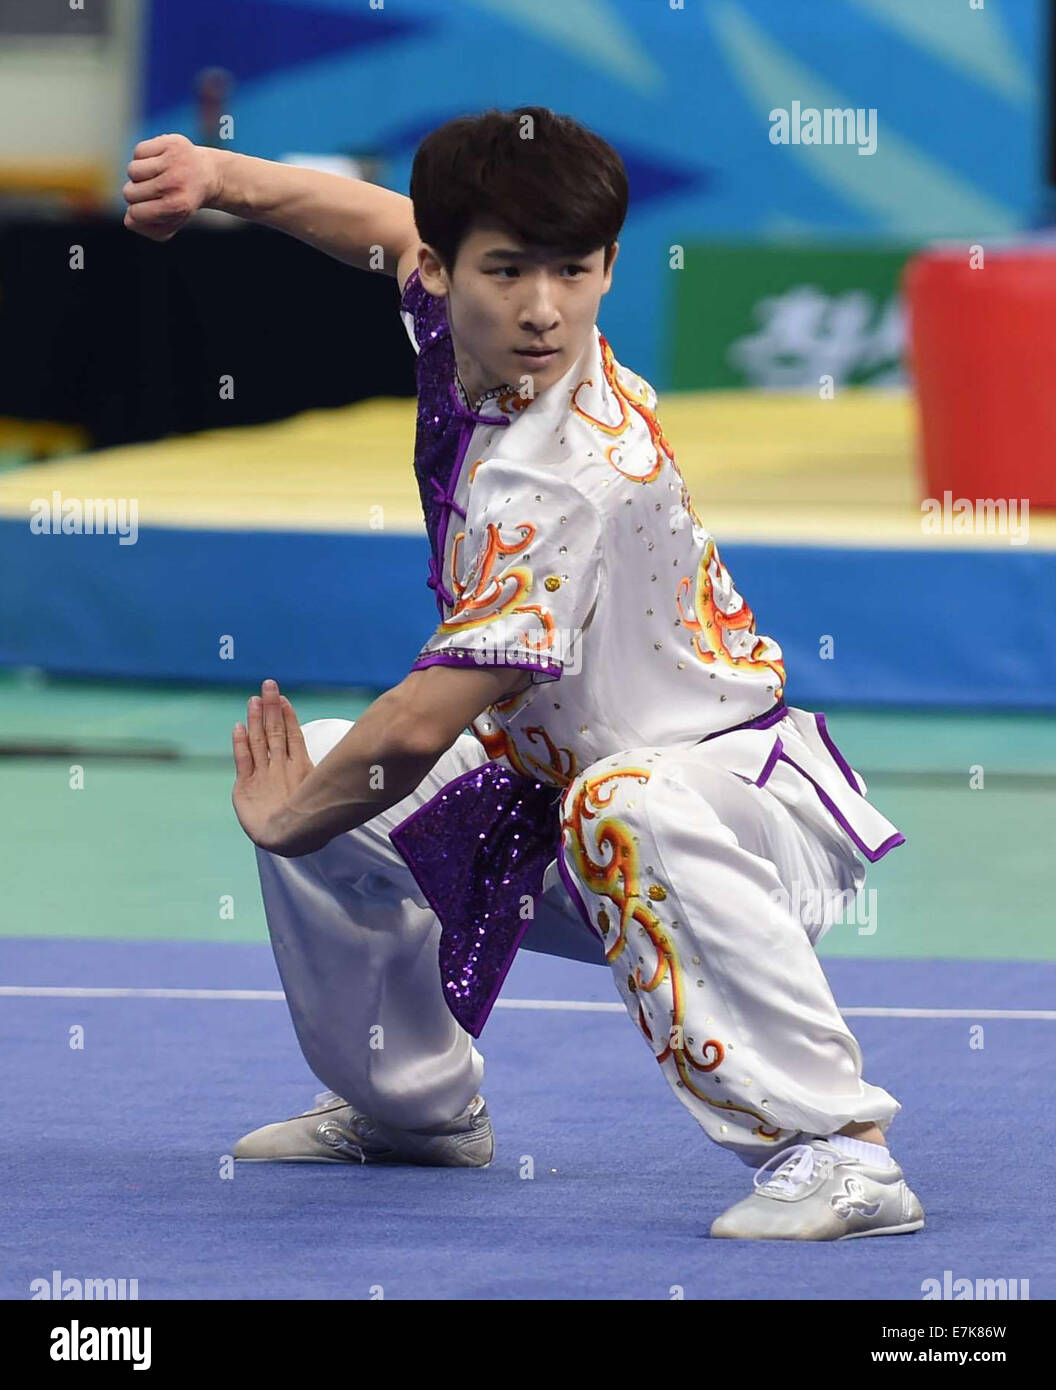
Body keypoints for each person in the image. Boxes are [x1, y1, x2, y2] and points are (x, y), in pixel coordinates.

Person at [123, 107, 924, 1240]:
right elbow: (381, 222)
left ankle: (846, 1150)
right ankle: (412, 1110)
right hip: (549, 795)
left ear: (607, 268)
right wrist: (221, 178)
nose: (545, 308)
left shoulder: (568, 472)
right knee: (330, 777)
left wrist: (287, 816)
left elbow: (424, 720)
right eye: (509, 270)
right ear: (448, 273)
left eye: (577, 272)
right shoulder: (461, 322)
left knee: (407, 791)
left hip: (733, 819)